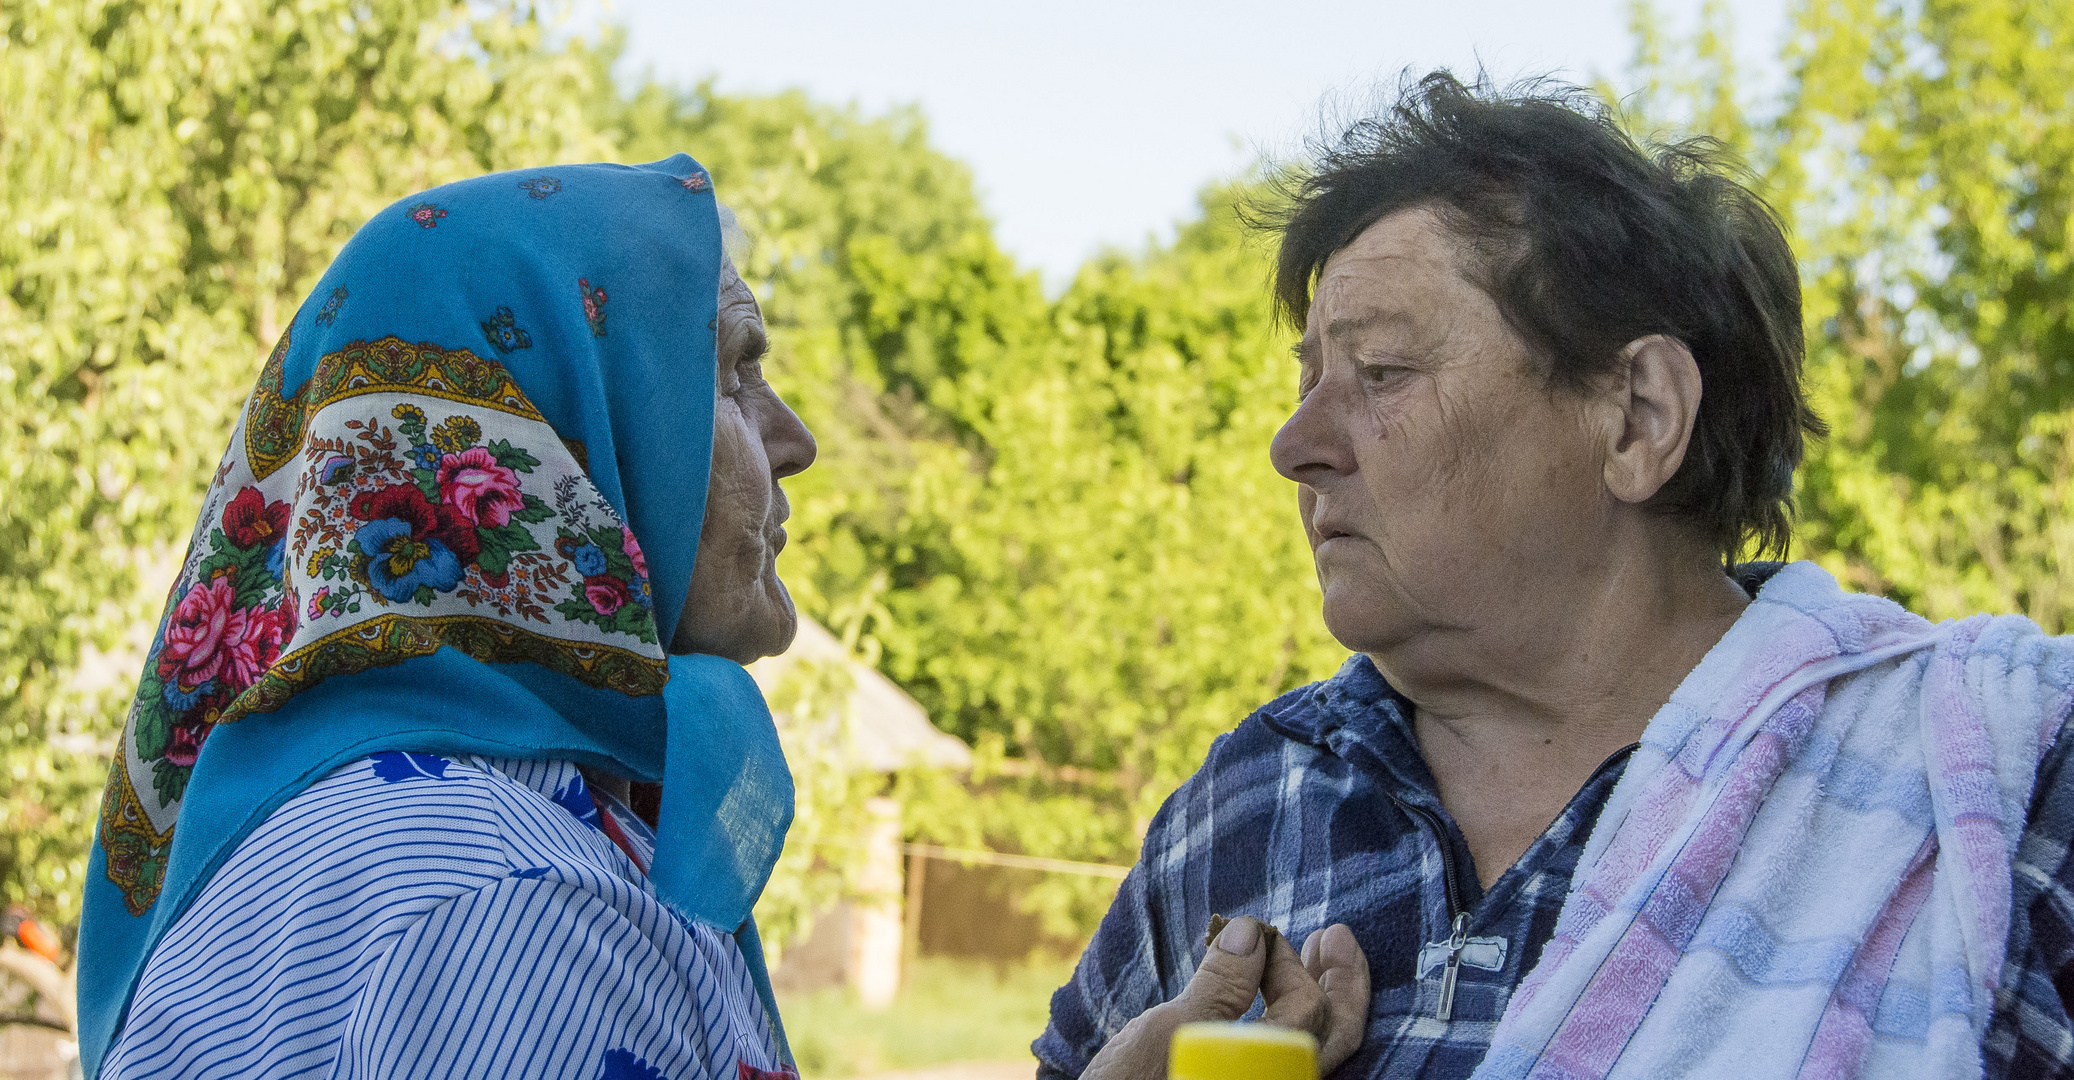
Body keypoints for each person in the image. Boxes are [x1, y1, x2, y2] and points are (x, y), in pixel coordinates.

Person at [1037, 72, 2074, 1080]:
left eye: (1381, 372)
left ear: (1637, 417)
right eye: (1306, 382)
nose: (1291, 444)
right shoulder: (1248, 799)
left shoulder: (1993, 793)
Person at [77, 157, 817, 1079]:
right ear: (567, 427)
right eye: (734, 372)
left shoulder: (397, 827)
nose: (795, 440)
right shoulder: (505, 896)